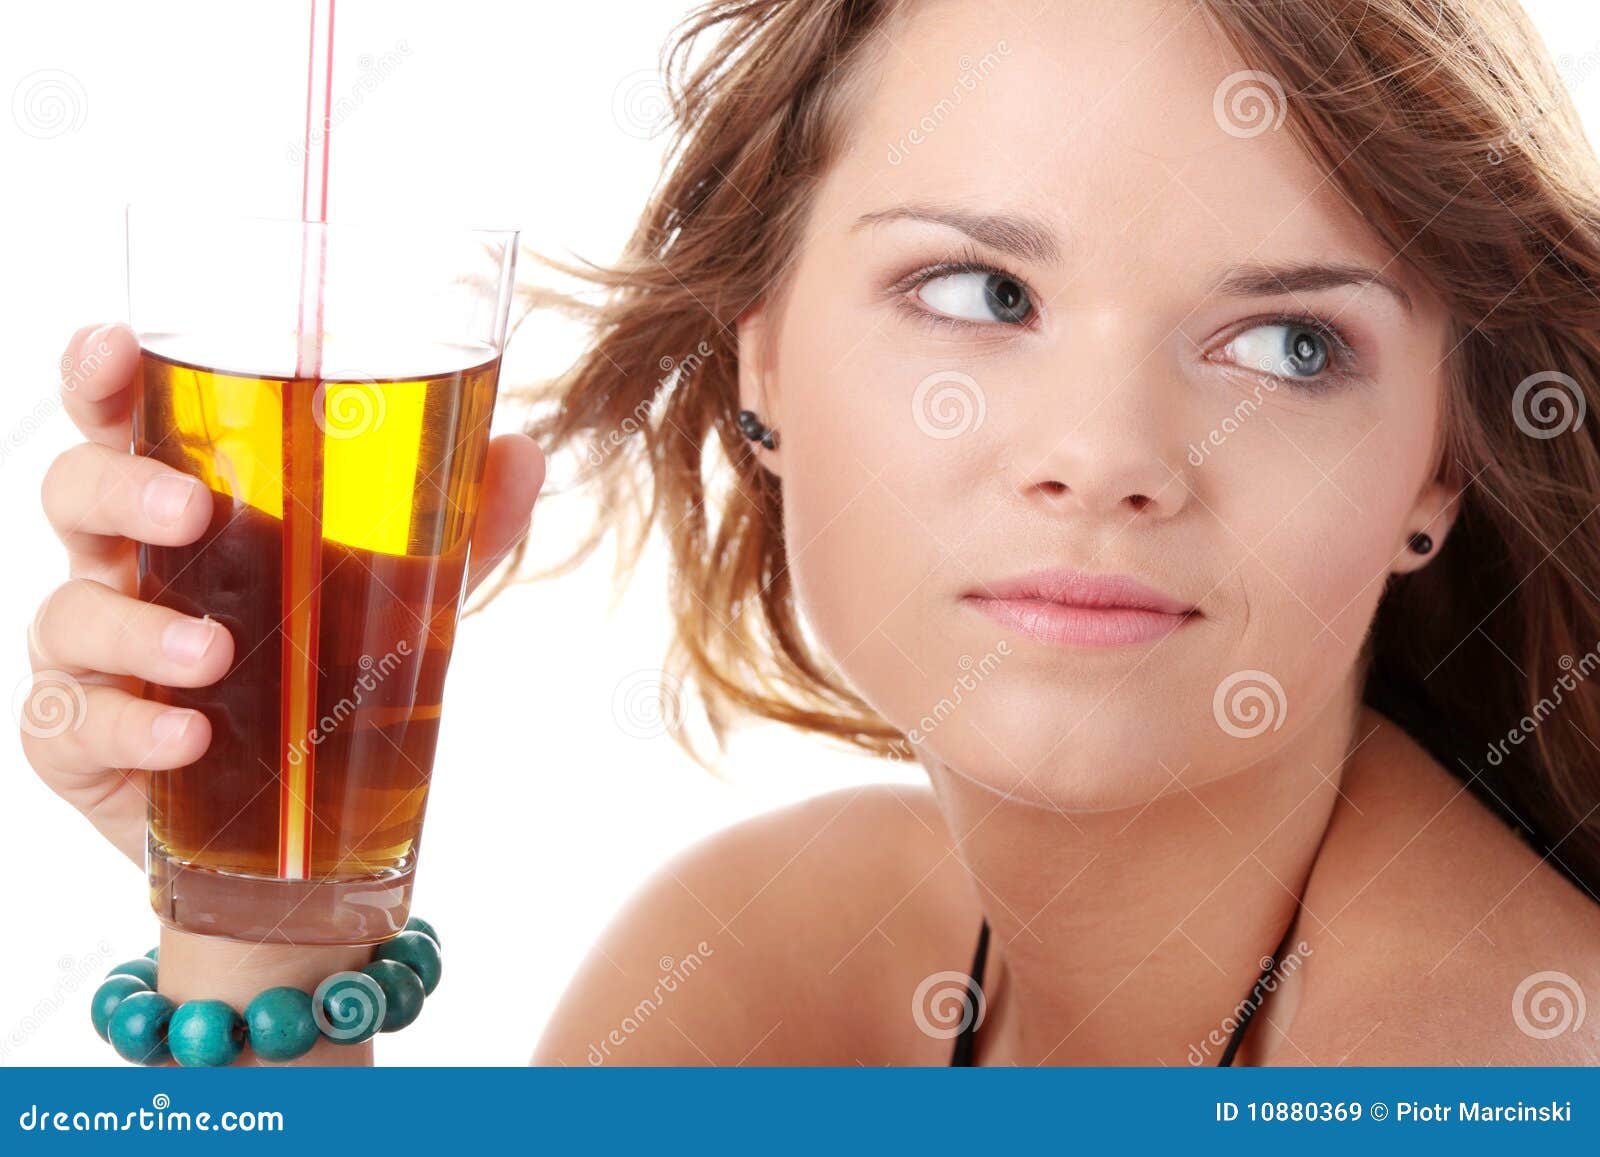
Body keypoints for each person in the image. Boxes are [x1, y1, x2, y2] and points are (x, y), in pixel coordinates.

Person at [24, 0, 1600, 1067]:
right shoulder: (762, 948)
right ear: (759, 352)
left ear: (1442, 465)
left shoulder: (1501, 1059)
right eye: (983, 294)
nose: (1105, 460)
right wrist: (256, 893)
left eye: (1288, 344)